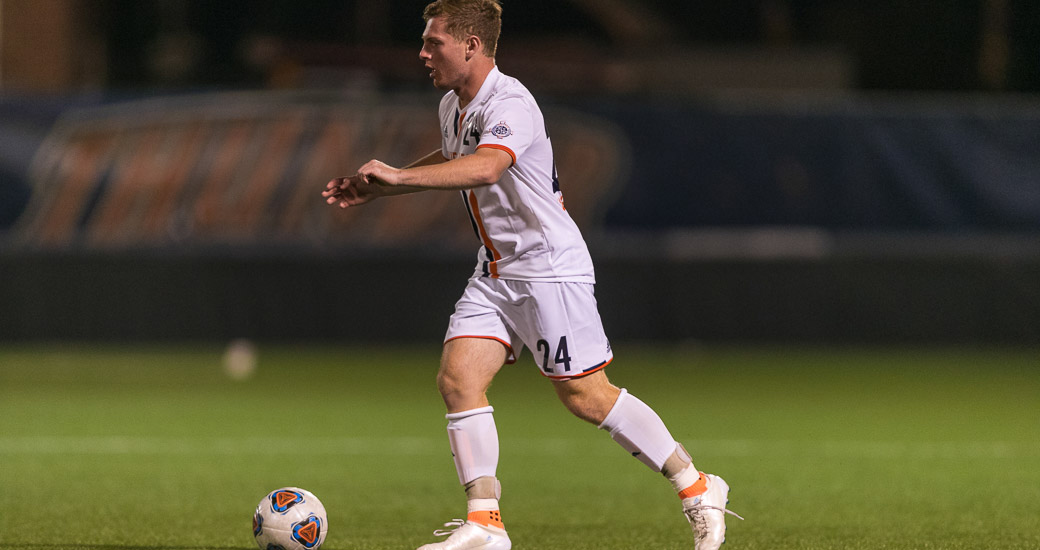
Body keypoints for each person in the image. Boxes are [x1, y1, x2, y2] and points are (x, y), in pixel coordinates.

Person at [322, 1, 741, 548]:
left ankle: (698, 485)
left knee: (587, 397)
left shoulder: (512, 101)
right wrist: (382, 187)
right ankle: (484, 524)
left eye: (434, 42)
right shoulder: (454, 103)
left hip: (547, 269)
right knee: (458, 379)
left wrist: (400, 176)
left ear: (471, 46)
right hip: (496, 270)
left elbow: (489, 164)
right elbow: (456, 154)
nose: (422, 53)